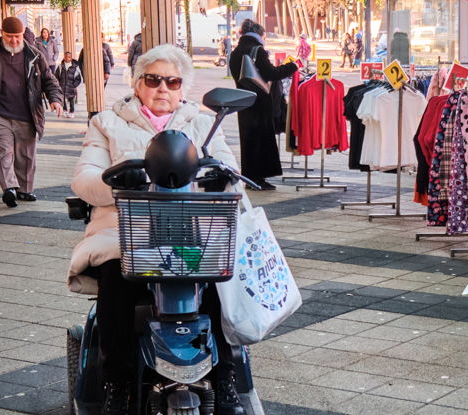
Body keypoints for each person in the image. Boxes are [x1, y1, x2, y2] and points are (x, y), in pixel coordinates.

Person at [69, 44, 245, 415]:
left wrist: (219, 179)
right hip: (126, 232)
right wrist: (117, 183)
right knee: (115, 283)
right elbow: (83, 178)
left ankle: (226, 376)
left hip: (191, 232)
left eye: (173, 81)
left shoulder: (203, 123)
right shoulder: (106, 123)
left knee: (221, 282)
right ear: (137, 84)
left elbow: (233, 175)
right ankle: (117, 382)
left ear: (182, 88)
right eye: (153, 79)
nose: (163, 87)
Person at [0, 17, 63, 207]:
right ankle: (9, 188)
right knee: (4, 150)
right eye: (9, 36)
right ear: (2, 33)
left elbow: (49, 80)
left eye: (17, 37)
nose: (14, 41)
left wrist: (55, 99)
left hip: (27, 113)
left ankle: (24, 190)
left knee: (26, 155)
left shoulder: (34, 55)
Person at [229, 19, 298, 191]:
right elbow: (271, 73)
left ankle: (250, 178)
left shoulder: (236, 52)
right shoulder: (257, 51)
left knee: (248, 141)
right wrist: (292, 66)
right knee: (261, 140)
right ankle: (258, 179)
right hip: (259, 103)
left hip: (243, 100)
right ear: (259, 34)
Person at [55, 52, 82, 118]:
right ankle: (65, 109)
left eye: (69, 57)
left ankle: (71, 111)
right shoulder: (60, 67)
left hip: (71, 87)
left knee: (71, 100)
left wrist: (74, 85)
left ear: (71, 58)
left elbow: (78, 78)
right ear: (64, 57)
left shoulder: (75, 68)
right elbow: (56, 76)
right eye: (66, 57)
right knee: (63, 99)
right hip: (62, 86)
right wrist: (58, 84)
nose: (67, 58)